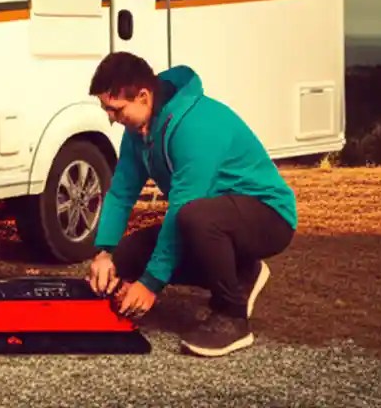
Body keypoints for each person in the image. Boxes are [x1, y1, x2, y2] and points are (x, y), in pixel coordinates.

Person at [84, 51, 297, 357]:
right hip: (210, 214)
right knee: (127, 256)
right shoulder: (138, 131)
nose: (111, 119)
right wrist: (104, 252)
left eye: (116, 110)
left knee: (194, 218)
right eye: (106, 109)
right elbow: (121, 192)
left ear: (143, 96)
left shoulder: (195, 127)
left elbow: (183, 208)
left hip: (268, 216)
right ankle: (241, 274)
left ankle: (233, 318)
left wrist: (150, 284)